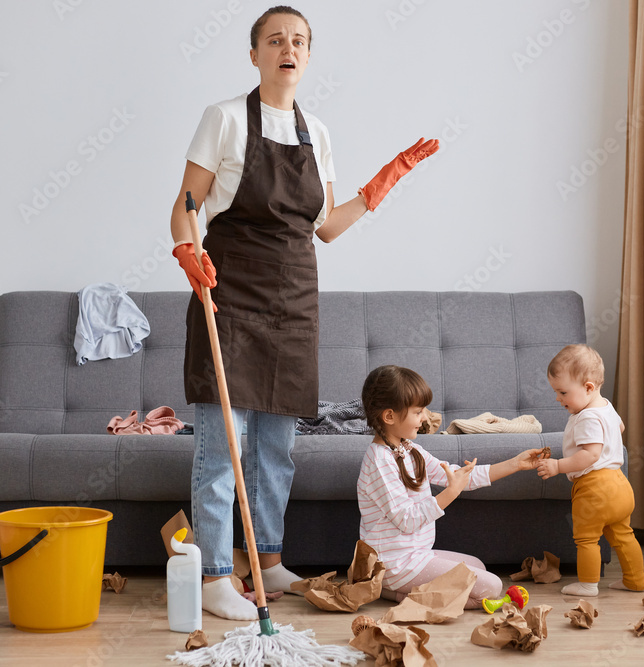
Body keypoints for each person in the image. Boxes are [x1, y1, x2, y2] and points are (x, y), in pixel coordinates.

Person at [168, 6, 439, 621]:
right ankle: (214, 574)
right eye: (274, 39)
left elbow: (327, 228)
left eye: (298, 40)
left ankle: (265, 560)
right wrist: (188, 247)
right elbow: (186, 203)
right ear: (255, 52)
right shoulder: (225, 119)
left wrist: (381, 184)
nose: (287, 48)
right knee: (223, 449)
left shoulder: (316, 132)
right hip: (229, 297)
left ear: (308, 55)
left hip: (294, 307)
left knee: (275, 451)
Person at [357, 365, 546, 609]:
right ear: (389, 416)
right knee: (491, 587)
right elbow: (407, 520)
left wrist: (515, 464)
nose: (425, 418)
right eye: (418, 412)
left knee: (477, 565)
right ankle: (392, 588)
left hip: (416, 557)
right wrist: (450, 493)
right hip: (396, 564)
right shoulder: (379, 462)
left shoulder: (410, 449)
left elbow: (459, 475)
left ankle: (393, 592)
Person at [536, 344, 644, 596]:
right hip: (619, 485)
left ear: (588, 387)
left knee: (586, 539)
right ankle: (635, 580)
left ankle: (587, 584)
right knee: (623, 535)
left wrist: (557, 465)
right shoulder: (605, 406)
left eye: (563, 392)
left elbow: (590, 454)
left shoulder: (586, 417)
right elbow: (619, 428)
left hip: (595, 488)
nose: (558, 398)